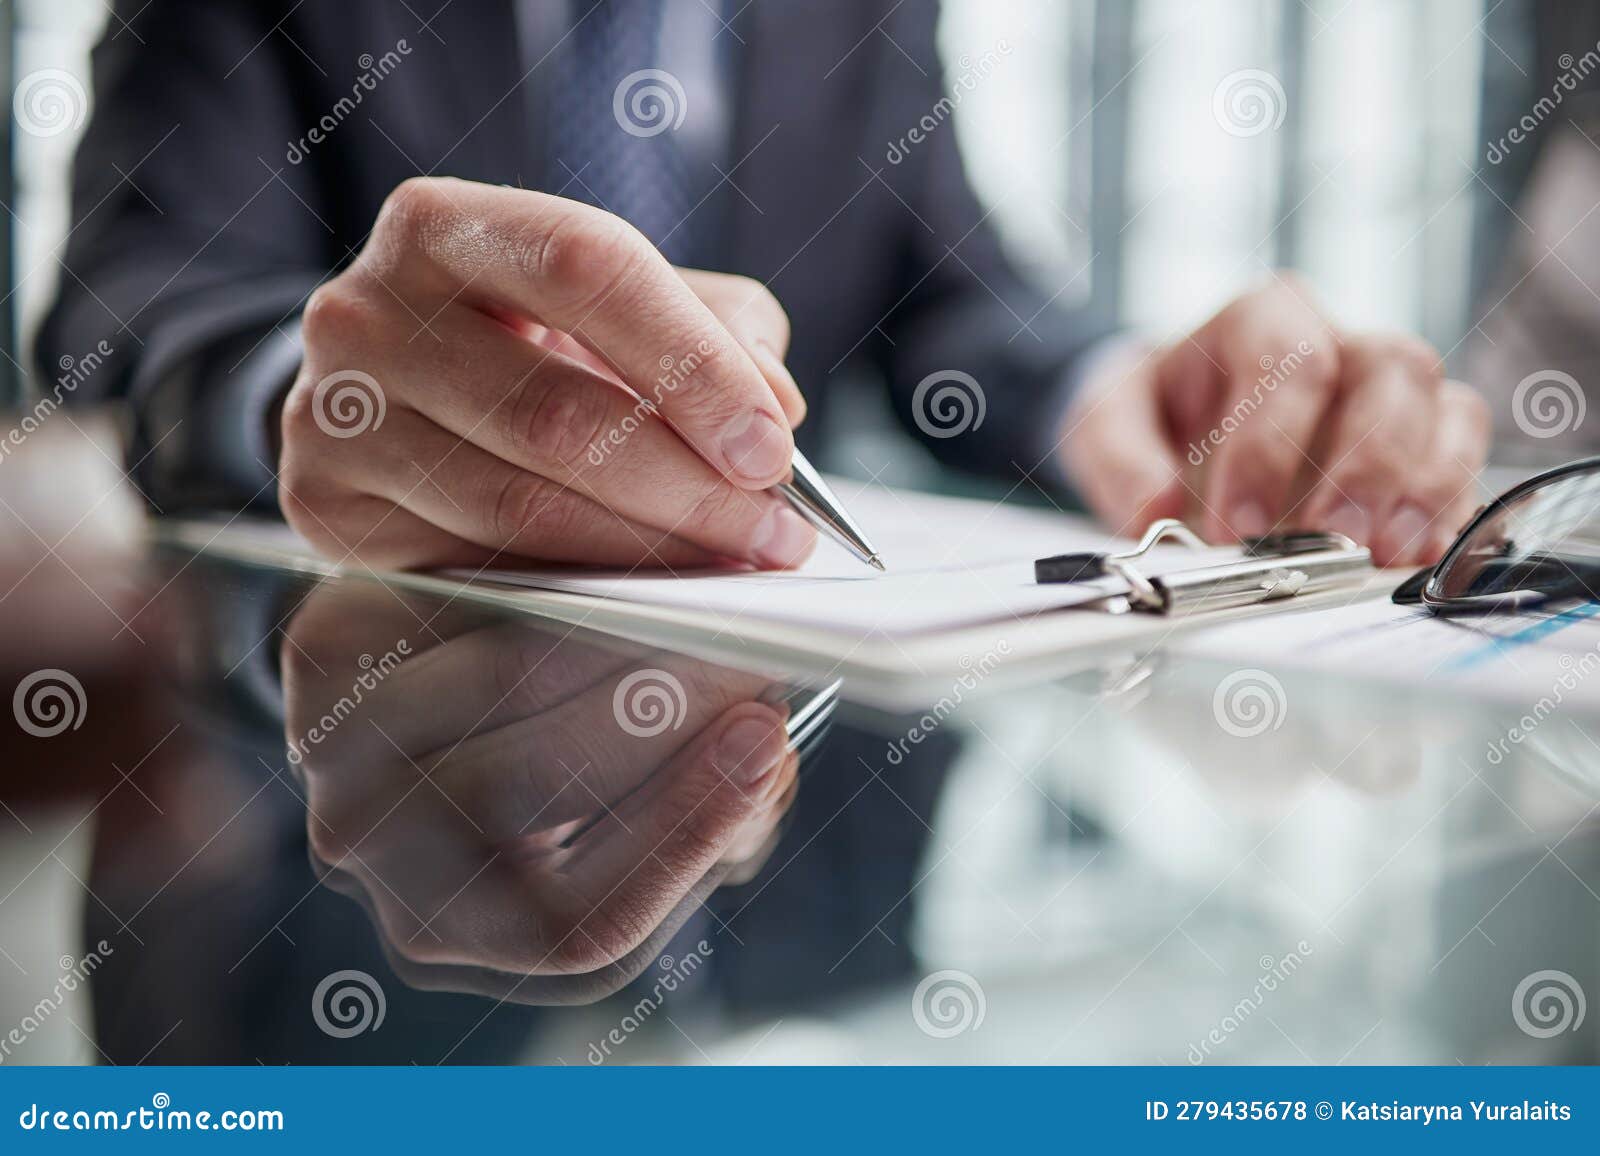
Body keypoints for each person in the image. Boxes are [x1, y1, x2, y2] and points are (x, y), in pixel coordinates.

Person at [39, 0, 1488, 571]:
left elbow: (951, 295)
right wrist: (324, 396)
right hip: (318, 858)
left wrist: (1127, 392)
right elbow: (131, 313)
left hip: (802, 951)